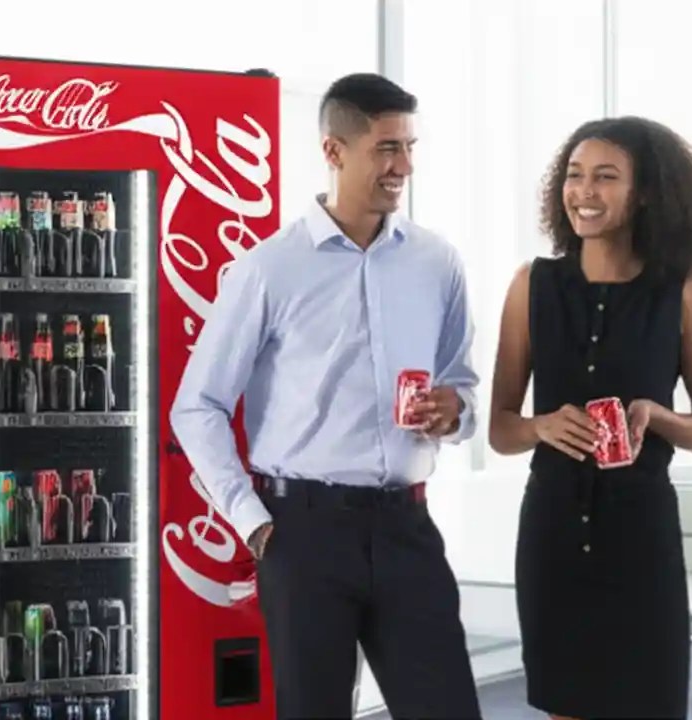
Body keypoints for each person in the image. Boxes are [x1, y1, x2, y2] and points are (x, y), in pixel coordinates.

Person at [170, 73, 483, 720]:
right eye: (387, 149)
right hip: (303, 533)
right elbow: (196, 406)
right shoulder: (269, 268)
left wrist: (455, 412)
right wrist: (252, 522)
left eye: (410, 147)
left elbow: (462, 385)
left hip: (407, 528)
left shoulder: (437, 263)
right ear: (334, 151)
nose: (404, 167)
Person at [488, 116, 692, 720]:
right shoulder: (532, 285)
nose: (583, 192)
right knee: (565, 706)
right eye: (574, 175)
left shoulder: (681, 291)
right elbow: (500, 429)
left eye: (605, 177)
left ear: (644, 192)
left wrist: (657, 415)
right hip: (553, 534)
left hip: (640, 536)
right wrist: (540, 426)